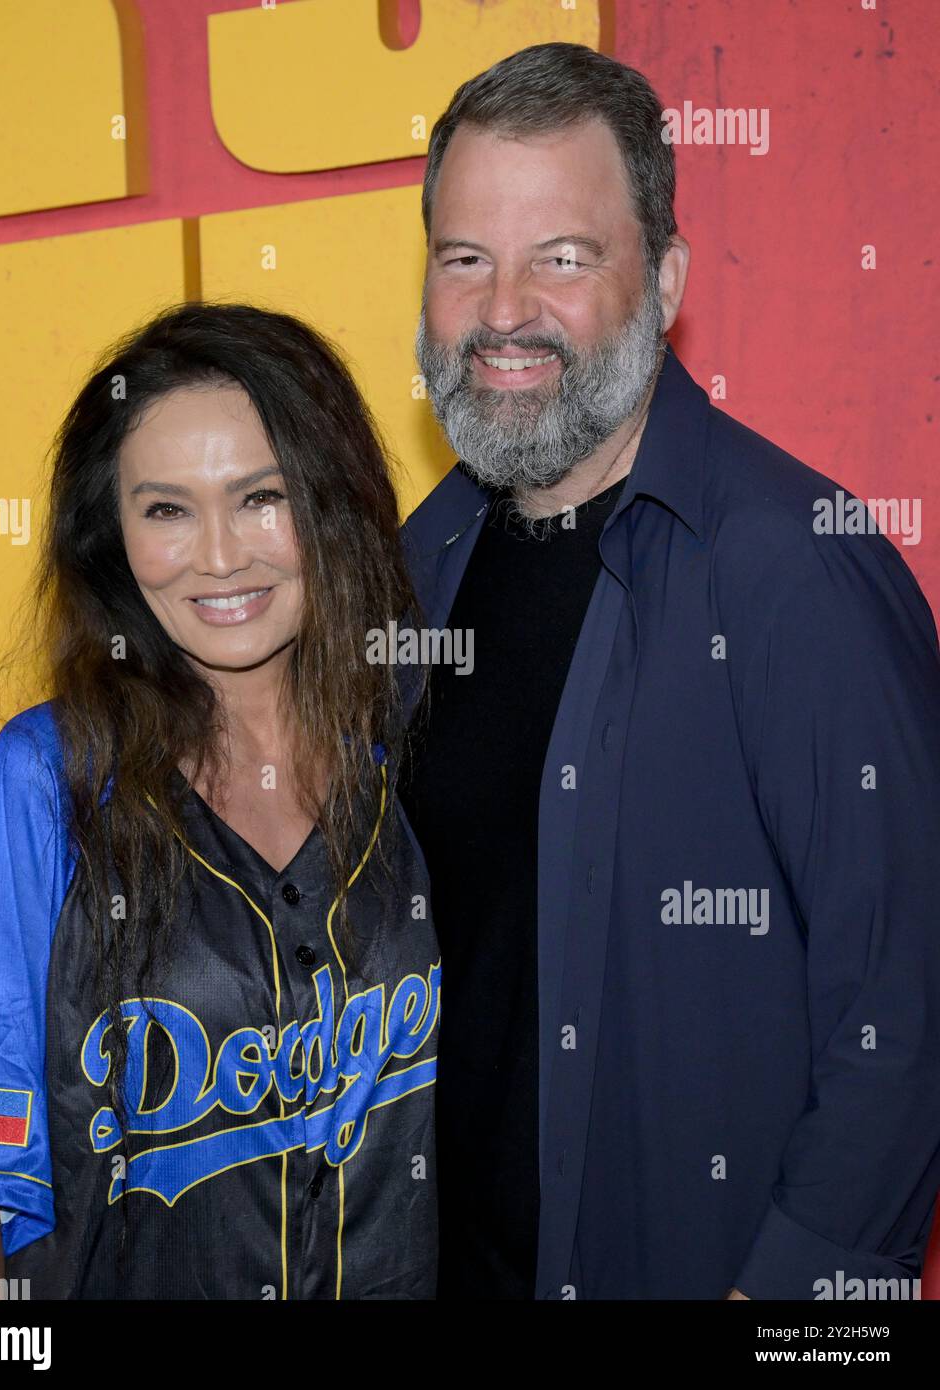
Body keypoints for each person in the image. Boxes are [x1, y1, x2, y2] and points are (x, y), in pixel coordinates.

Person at [398, 41, 940, 1300]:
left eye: (562, 259)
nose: (502, 313)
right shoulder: (412, 565)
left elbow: (904, 1017)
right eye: (464, 258)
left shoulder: (794, 567)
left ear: (667, 277)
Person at [0, 302, 440, 1300]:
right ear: (112, 537)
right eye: (166, 510)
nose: (220, 555)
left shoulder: (403, 758)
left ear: (329, 506)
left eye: (260, 497)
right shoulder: (44, 783)